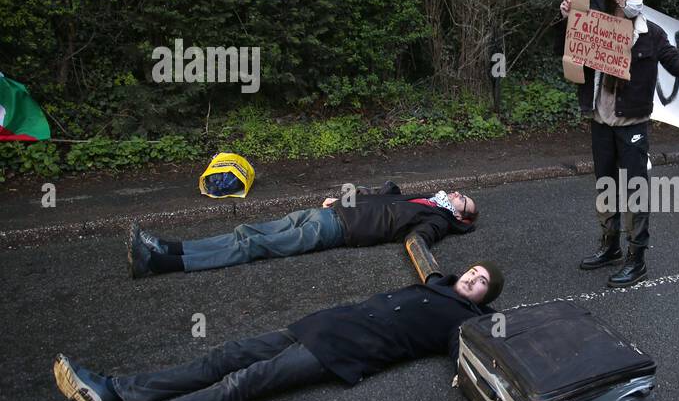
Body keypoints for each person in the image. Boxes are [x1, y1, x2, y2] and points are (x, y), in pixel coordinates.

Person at [52, 262, 505, 401]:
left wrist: (470, 379)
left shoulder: (462, 321)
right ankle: (113, 390)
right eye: (473, 271)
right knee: (225, 355)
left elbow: (466, 353)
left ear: (484, 299)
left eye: (482, 281)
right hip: (319, 323)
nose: (472, 278)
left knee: (239, 384)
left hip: (342, 350)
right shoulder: (436, 282)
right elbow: (422, 237)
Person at [559, 0, 679, 286]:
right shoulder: (596, 27)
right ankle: (610, 246)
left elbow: (671, 60)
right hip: (601, 121)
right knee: (605, 185)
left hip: (632, 124)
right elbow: (568, 46)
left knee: (635, 191)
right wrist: (567, 17)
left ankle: (636, 258)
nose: (640, 0)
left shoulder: (651, 33)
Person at [126, 182, 477, 278]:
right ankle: (170, 247)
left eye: (465, 202)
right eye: (461, 194)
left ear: (460, 217)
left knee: (253, 245)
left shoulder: (438, 220)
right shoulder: (427, 201)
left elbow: (420, 240)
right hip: (329, 213)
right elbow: (381, 194)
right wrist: (342, 198)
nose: (459, 195)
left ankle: (156, 265)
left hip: (336, 232)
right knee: (245, 230)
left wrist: (430, 271)